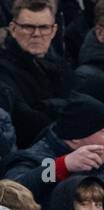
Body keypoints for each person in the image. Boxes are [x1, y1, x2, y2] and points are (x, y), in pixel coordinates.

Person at [0, 0, 74, 149]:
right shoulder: (3, 70)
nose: (36, 34)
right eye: (28, 27)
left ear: (53, 31)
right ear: (13, 29)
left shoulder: (59, 65)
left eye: (44, 27)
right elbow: (26, 121)